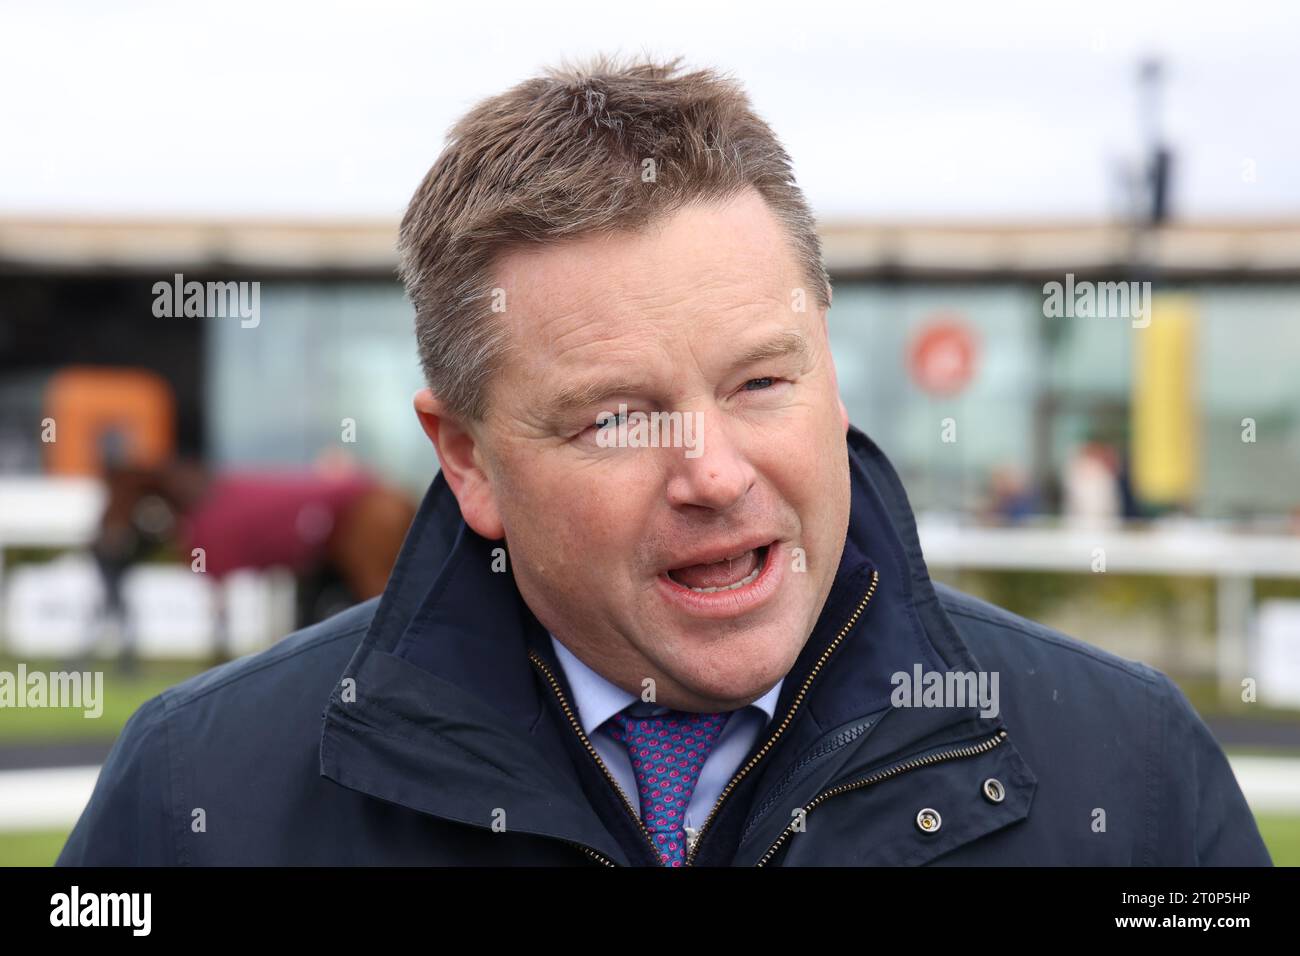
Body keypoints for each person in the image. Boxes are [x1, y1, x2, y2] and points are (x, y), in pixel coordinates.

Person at [57, 54, 1271, 867]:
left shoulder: (1137, 776)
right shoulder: (195, 797)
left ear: (830, 365)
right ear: (468, 459)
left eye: (760, 382)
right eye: (618, 417)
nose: (714, 472)